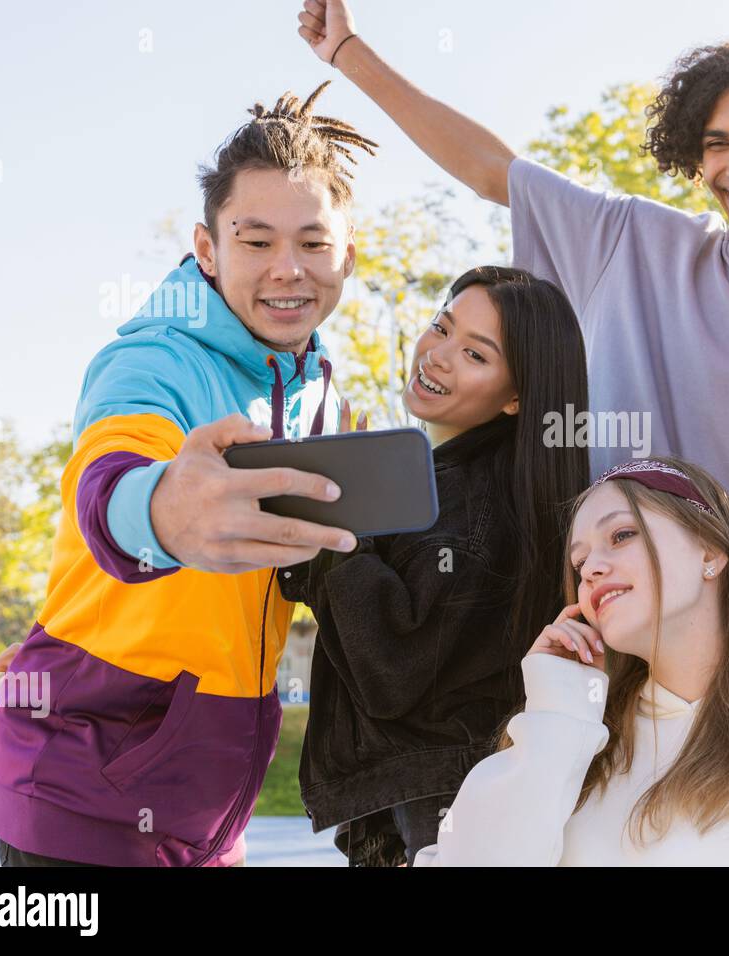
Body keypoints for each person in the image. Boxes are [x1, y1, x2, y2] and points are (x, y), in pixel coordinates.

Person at [294, 0, 729, 696]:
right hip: (614, 664)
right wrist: (349, 51)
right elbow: (491, 170)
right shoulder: (637, 245)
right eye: (717, 143)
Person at [0, 83, 377, 866]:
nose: (288, 270)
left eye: (313, 243)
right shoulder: (151, 359)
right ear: (207, 249)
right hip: (82, 791)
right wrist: (159, 513)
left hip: (205, 803)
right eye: (255, 241)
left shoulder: (317, 388)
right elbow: (111, 474)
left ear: (348, 255)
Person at [412, 456, 729, 866]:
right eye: (580, 563)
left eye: (622, 535)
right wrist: (556, 712)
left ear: (712, 553)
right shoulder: (573, 747)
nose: (593, 570)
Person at [280, 266, 591, 866]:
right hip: (420, 794)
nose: (438, 355)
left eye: (474, 353)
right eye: (440, 327)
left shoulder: (473, 506)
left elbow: (390, 668)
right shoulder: (446, 488)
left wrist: (343, 527)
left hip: (433, 799)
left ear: (517, 395)